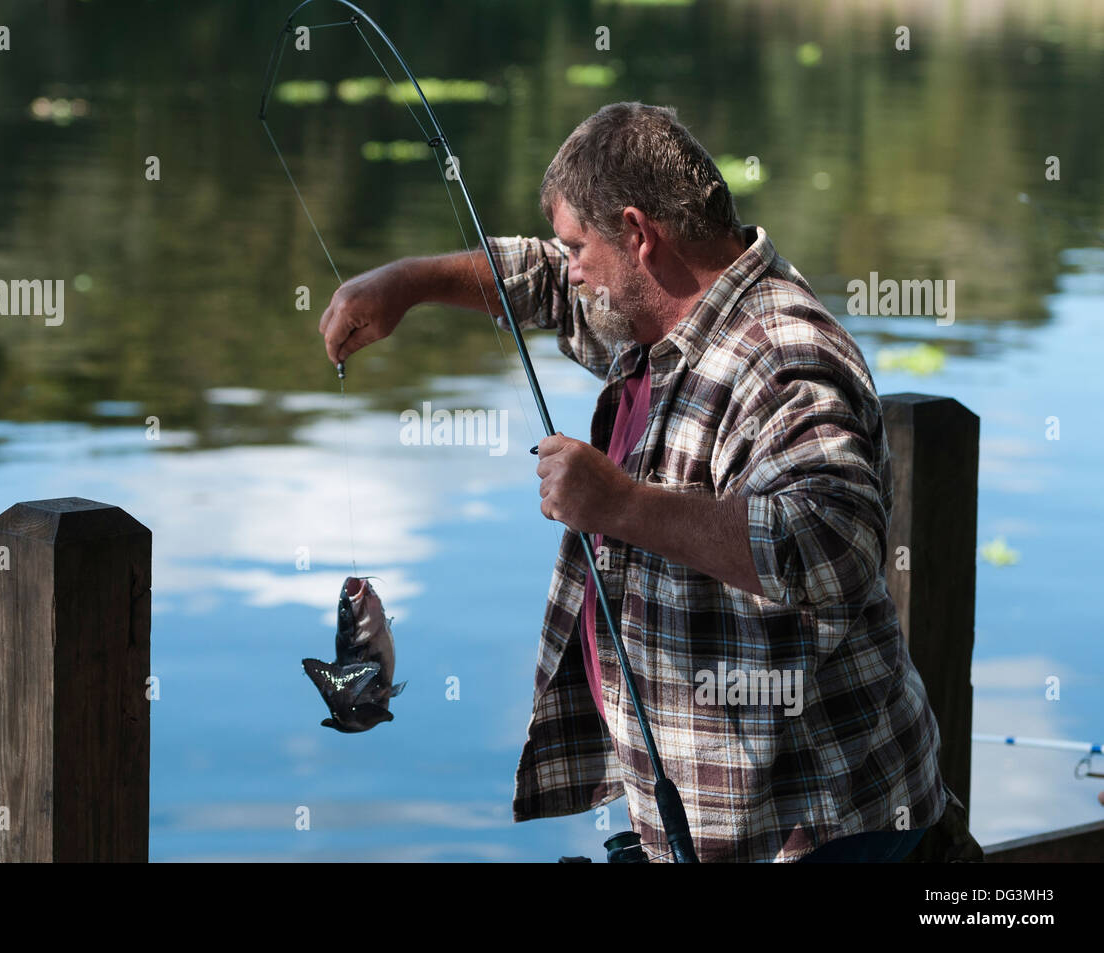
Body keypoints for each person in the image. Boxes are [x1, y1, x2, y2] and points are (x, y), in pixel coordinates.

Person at [317, 101, 945, 862]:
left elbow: (834, 545)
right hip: (714, 827)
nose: (571, 268)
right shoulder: (657, 315)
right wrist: (408, 283)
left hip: (819, 830)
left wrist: (618, 504)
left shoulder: (781, 354)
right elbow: (544, 280)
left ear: (640, 234)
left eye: (580, 245)